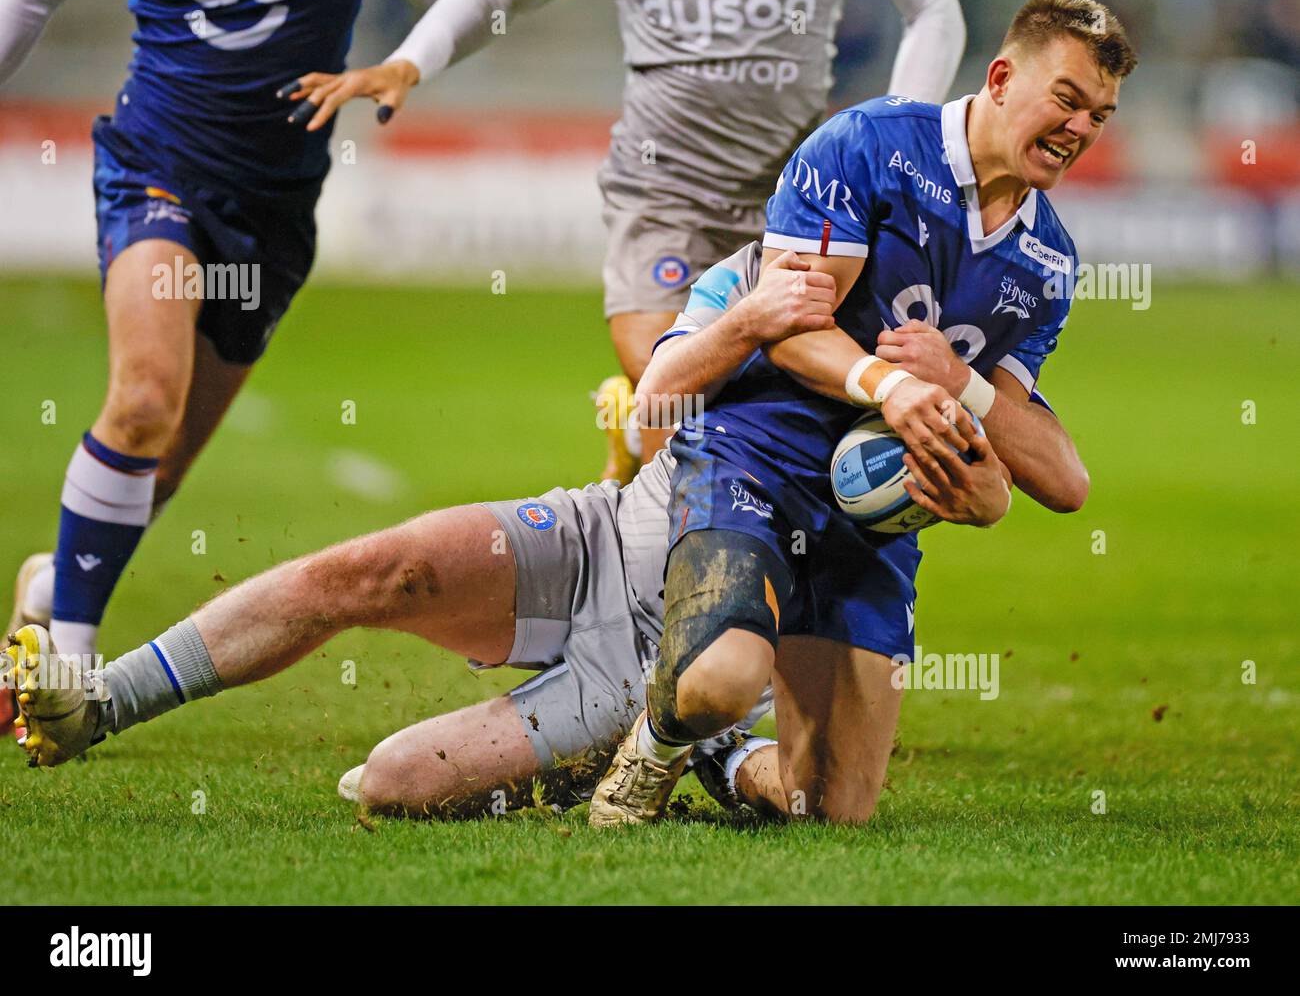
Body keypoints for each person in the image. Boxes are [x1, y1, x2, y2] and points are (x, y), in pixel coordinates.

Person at [3, 245, 1013, 820]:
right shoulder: (747, 280)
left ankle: (689, 744)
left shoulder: (913, 359)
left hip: (646, 659)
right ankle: (101, 702)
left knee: (393, 788)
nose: (826, 242)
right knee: (371, 567)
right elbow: (652, 413)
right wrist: (744, 322)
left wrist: (970, 488)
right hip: (601, 530)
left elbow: (990, 487)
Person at [587, 0, 1137, 827]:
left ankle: (721, 756)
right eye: (1066, 98)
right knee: (722, 678)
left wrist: (964, 394)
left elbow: (1048, 468)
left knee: (832, 806)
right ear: (998, 78)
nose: (1080, 127)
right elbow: (789, 329)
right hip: (761, 452)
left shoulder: (1049, 259)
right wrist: (895, 386)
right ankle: (659, 741)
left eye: (1098, 113)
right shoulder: (869, 146)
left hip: (872, 512)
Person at [0, 0, 472, 735]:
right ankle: (68, 677)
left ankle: (50, 591)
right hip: (155, 170)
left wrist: (410, 61)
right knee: (145, 398)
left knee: (162, 466)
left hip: (273, 218)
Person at [284, 0, 966, 481]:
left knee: (773, 388)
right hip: (663, 191)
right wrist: (408, 63)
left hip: (796, 196)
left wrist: (895, 146)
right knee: (664, 372)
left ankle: (646, 461)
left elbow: (933, 6)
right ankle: (657, 503)